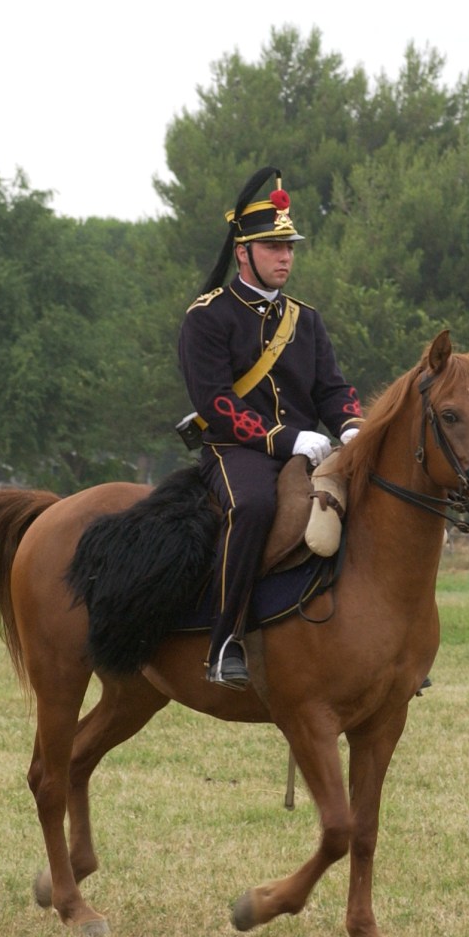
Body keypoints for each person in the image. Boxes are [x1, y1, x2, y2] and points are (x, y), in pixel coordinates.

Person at [178, 166, 363, 689]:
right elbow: (215, 402)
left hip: (310, 451)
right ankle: (223, 642)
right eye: (273, 247)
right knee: (255, 506)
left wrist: (352, 425)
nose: (286, 257)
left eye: (290, 247)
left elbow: (333, 387)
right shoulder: (208, 318)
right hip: (235, 452)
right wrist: (284, 440)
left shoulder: (307, 320)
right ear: (244, 253)